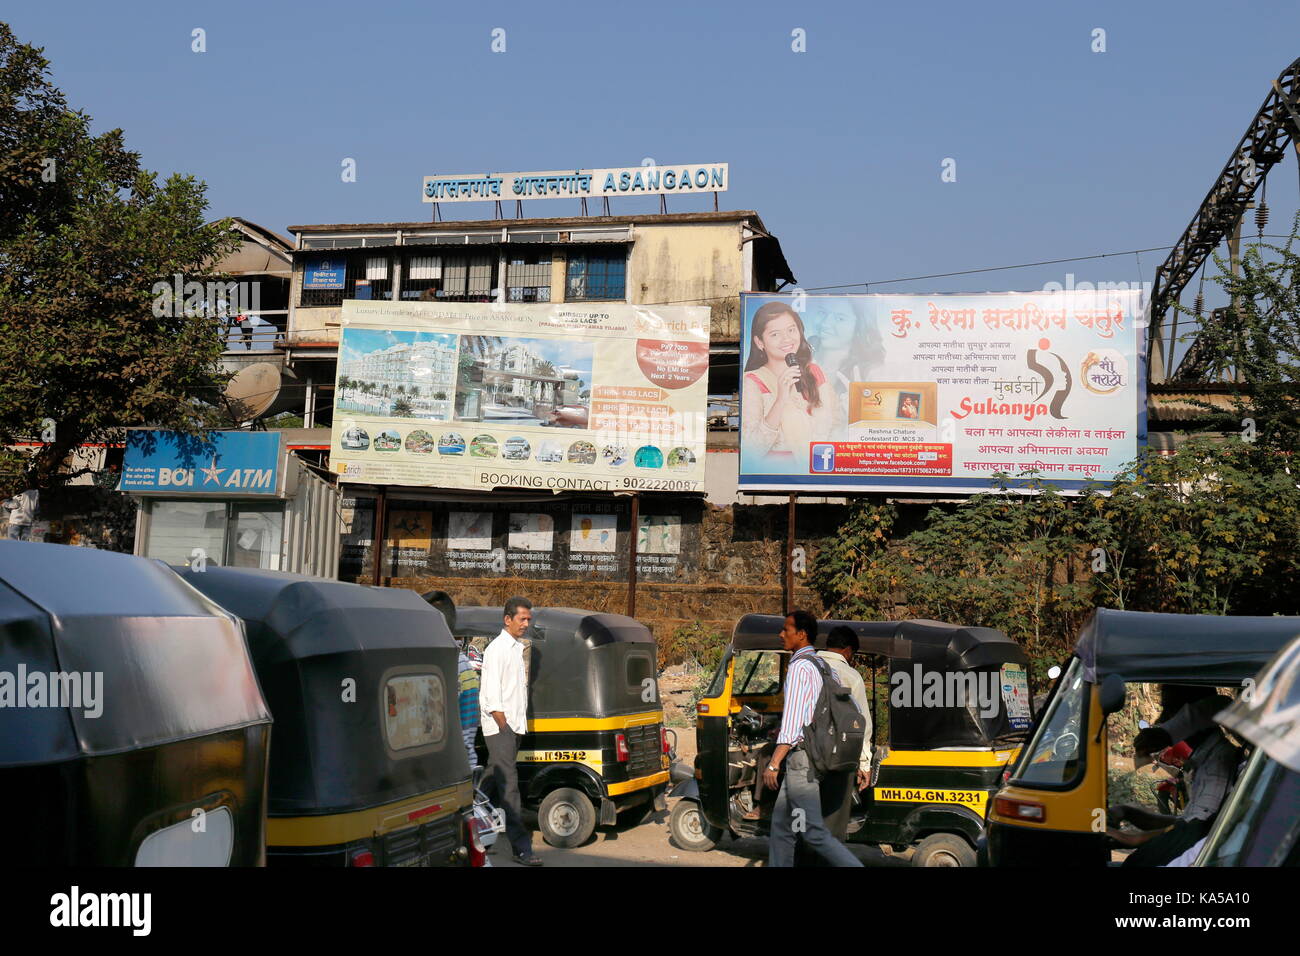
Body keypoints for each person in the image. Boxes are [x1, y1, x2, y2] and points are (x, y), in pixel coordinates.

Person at [762, 610, 863, 868]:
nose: (781, 634)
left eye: (786, 629)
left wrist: (774, 762)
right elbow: (851, 710)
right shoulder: (825, 666)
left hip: (801, 761)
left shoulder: (799, 667)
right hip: (817, 756)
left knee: (814, 832)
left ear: (802, 634)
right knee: (782, 826)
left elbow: (793, 723)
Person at [1107, 686, 1239, 867]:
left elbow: (1195, 830)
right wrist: (1130, 813)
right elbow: (1186, 822)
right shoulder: (1203, 760)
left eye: (1171, 710)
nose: (1164, 718)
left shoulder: (1218, 761)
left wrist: (1133, 840)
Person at [480, 596, 542, 866]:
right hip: (500, 728)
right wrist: (505, 729)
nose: (526, 624)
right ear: (508, 620)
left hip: (513, 727)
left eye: (529, 619)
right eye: (522, 619)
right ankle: (522, 848)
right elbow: (492, 698)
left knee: (491, 782)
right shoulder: (497, 650)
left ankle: (469, 830)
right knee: (510, 787)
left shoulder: (516, 648)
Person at [741, 302, 837, 463]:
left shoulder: (814, 372)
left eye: (791, 330)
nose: (787, 339)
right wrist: (780, 399)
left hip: (821, 468)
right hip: (779, 472)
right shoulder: (753, 381)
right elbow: (751, 449)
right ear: (759, 342)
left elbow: (836, 423)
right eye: (775, 334)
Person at [817, 626, 873, 841]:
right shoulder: (850, 676)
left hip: (805, 757)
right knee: (832, 820)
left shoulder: (805, 668)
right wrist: (864, 764)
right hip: (839, 758)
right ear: (848, 651)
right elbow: (862, 725)